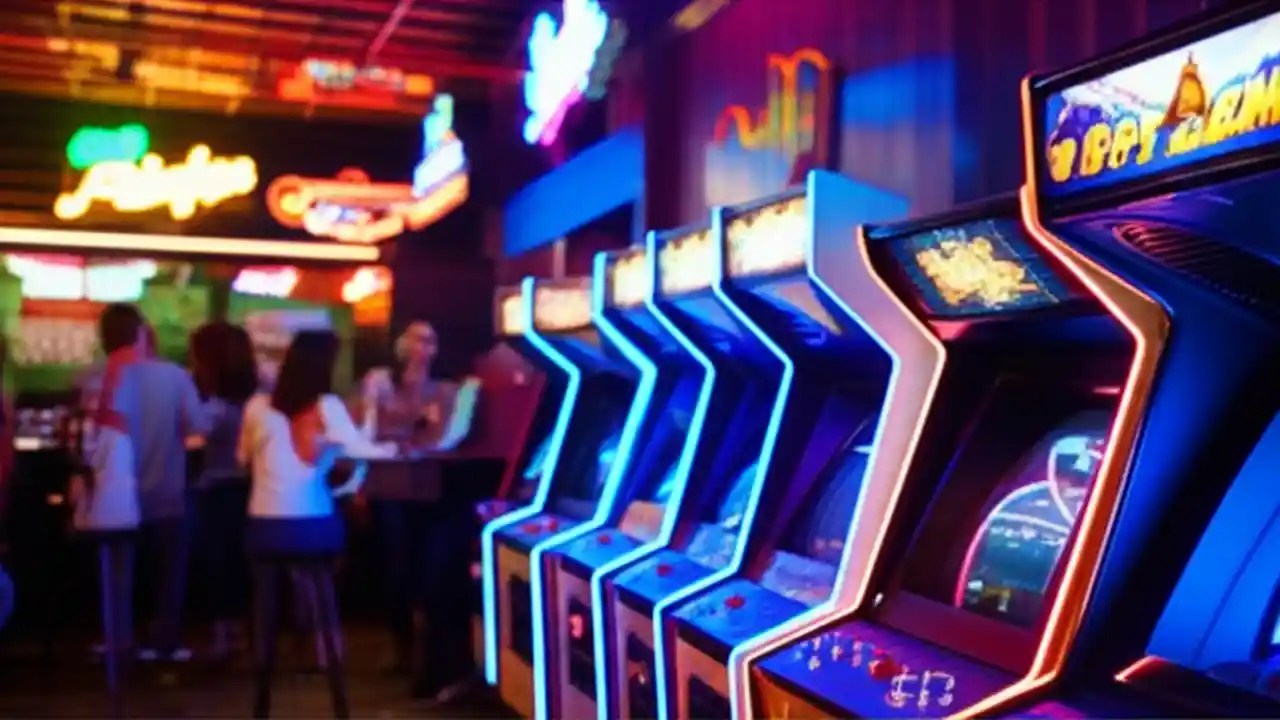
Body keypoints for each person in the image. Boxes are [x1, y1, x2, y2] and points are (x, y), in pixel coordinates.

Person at [238, 330, 396, 714]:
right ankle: (334, 675)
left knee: (266, 598)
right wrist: (390, 445)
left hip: (264, 528)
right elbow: (361, 449)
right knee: (331, 556)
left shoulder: (258, 406)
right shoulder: (327, 405)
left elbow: (242, 458)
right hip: (313, 529)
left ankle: (262, 691)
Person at [359, 321, 478, 701]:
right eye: (416, 337)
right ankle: (400, 647)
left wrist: (416, 442)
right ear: (400, 343)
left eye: (431, 338)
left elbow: (447, 439)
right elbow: (366, 430)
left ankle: (421, 654)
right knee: (394, 569)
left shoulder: (444, 390)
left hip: (426, 488)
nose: (423, 345)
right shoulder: (379, 382)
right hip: (387, 486)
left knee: (425, 573)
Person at [90, 305, 207, 663]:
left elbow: (95, 439)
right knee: (169, 572)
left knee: (119, 569)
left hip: (116, 492)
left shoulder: (98, 379)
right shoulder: (174, 376)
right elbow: (198, 430)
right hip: (167, 488)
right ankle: (165, 643)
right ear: (142, 333)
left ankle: (118, 639)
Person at [190, 322, 258, 661]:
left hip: (216, 486)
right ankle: (243, 633)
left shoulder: (214, 405)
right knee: (243, 561)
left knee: (218, 561)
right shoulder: (259, 398)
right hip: (252, 488)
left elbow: (193, 436)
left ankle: (223, 634)